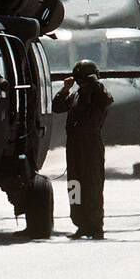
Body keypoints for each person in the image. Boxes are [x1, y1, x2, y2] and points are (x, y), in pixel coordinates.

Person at [52, 59, 114, 239]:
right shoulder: (77, 95)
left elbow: (107, 100)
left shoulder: (97, 93)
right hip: (74, 145)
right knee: (74, 186)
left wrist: (95, 83)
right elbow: (57, 107)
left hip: (90, 144)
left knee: (92, 185)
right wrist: (65, 89)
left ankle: (95, 226)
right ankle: (81, 224)